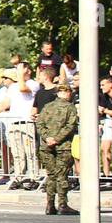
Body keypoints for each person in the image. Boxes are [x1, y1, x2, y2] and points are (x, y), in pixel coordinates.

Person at [36, 84, 79, 215]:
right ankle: (62, 204)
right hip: (62, 146)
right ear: (66, 92)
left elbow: (39, 124)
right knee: (61, 175)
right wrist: (57, 139)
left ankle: (49, 204)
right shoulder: (70, 108)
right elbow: (70, 126)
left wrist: (47, 137)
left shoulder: (47, 107)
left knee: (51, 175)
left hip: (46, 146)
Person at [1, 64, 40, 189]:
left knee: (30, 151)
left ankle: (34, 176)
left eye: (20, 68)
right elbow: (7, 102)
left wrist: (20, 75)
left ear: (27, 70)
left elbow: (23, 89)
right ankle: (18, 176)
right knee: (17, 152)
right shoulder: (12, 87)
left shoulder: (33, 84)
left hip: (27, 122)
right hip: (14, 122)